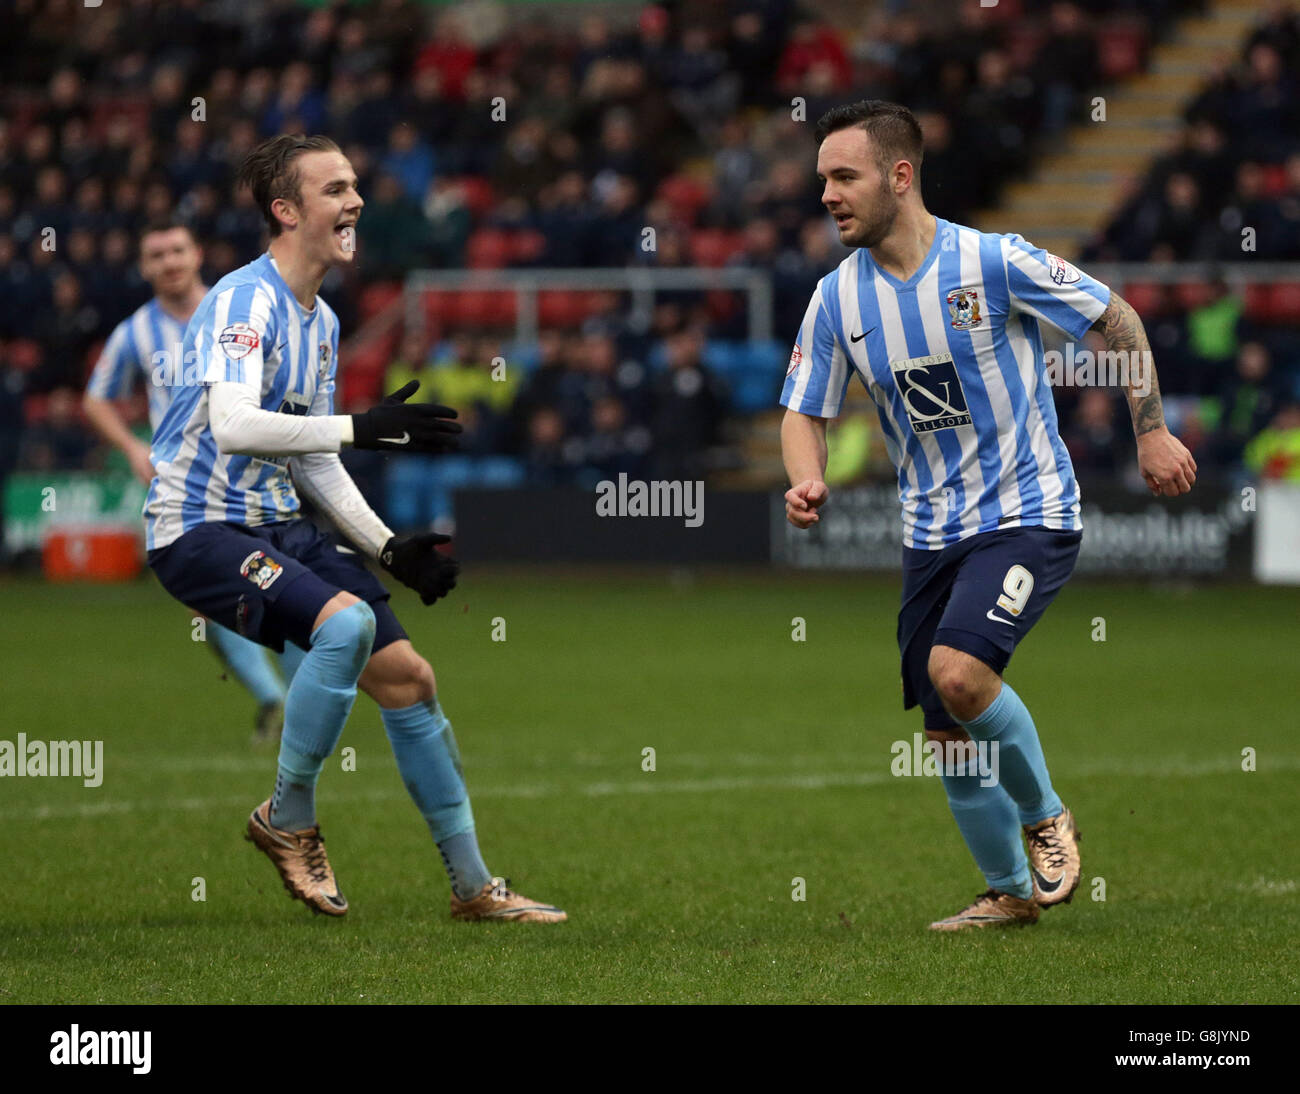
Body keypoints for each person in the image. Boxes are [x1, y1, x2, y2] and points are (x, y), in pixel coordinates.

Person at [780, 101, 1196, 931]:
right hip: (929, 534)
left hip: (1027, 510)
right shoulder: (835, 301)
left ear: (900, 177)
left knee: (960, 675)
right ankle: (1008, 890)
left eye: (844, 176)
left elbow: (1118, 318)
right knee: (947, 730)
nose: (826, 193)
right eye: (822, 177)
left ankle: (1045, 816)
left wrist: (1150, 430)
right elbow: (802, 411)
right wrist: (806, 479)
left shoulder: (993, 261)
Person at [144, 134, 565, 922]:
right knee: (342, 631)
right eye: (335, 188)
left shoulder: (325, 321)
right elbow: (235, 426)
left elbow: (312, 458)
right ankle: (287, 818)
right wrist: (359, 426)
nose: (356, 200)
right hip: (198, 527)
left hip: (276, 524)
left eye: (355, 184)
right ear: (286, 209)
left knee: (410, 679)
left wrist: (389, 548)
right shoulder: (246, 300)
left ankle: (474, 888)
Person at [83, 221, 297, 742]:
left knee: (285, 588)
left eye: (177, 250)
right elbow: (95, 398)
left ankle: (297, 704)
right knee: (213, 599)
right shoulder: (135, 331)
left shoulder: (238, 309)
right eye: (156, 255)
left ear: (196, 253)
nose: (169, 262)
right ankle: (277, 701)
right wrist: (134, 447)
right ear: (144, 267)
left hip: (252, 473)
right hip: (185, 487)